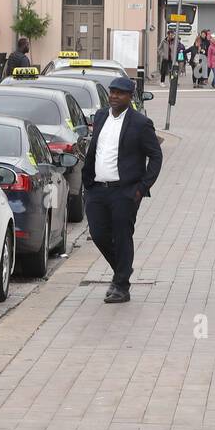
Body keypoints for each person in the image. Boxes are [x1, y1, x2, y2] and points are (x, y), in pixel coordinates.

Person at [83, 76, 163, 303]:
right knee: (98, 234)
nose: (115, 97)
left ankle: (121, 286)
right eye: (112, 92)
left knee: (122, 235)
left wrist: (142, 188)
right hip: (97, 189)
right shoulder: (100, 117)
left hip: (125, 191)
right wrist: (87, 184)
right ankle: (122, 272)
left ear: (130, 97)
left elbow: (156, 155)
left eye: (120, 93)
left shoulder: (140, 123)